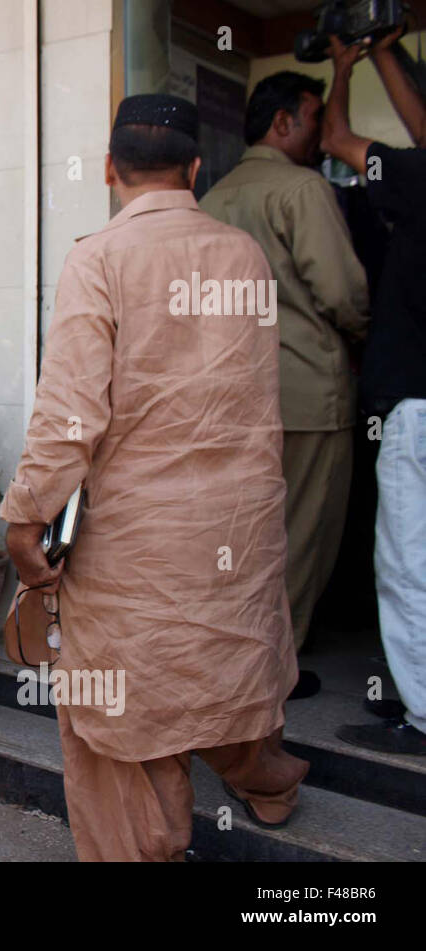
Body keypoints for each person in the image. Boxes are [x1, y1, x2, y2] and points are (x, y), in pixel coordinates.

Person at [1, 94, 309, 861]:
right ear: (197, 169)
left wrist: (27, 516)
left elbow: (71, 415)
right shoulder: (244, 256)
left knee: (121, 721)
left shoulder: (99, 257)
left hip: (136, 543)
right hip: (239, 528)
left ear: (110, 168)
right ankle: (269, 783)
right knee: (227, 669)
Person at [200, 72, 370, 698]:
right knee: (300, 535)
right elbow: (343, 293)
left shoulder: (213, 198)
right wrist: (369, 332)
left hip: (231, 397)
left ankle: (236, 651)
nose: (324, 133)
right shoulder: (303, 189)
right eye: (314, 117)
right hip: (306, 394)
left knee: (242, 535)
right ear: (281, 124)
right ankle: (276, 663)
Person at [322, 30, 426, 755]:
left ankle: (424, 717)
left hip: (416, 409)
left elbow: (333, 136)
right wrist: (390, 53)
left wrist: (345, 64)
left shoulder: (420, 177)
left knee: (409, 567)